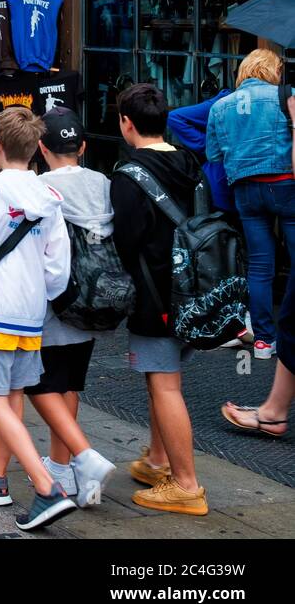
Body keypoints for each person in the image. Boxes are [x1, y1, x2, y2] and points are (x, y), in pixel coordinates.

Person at [0, 107, 78, 530]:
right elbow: (58, 269)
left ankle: (46, 488)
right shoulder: (49, 199)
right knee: (14, 394)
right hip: (31, 312)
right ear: (35, 149)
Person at [110, 83, 208, 515]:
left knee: (163, 384)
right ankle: (157, 460)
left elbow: (125, 242)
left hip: (156, 294)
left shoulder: (129, 175)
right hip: (196, 289)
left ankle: (186, 485)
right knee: (164, 378)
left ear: (126, 123)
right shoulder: (189, 162)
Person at [28, 106, 119, 506]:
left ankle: (83, 460)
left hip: (55, 297)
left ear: (41, 147)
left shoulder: (40, 187)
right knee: (70, 384)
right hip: (94, 297)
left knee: (40, 382)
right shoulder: (102, 182)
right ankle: (65, 468)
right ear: (82, 146)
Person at [206, 49, 293, 359]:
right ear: (272, 70)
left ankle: (263, 341)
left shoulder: (221, 106)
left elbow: (213, 154)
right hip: (286, 184)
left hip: (245, 190)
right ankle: (288, 333)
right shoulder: (288, 96)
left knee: (260, 265)